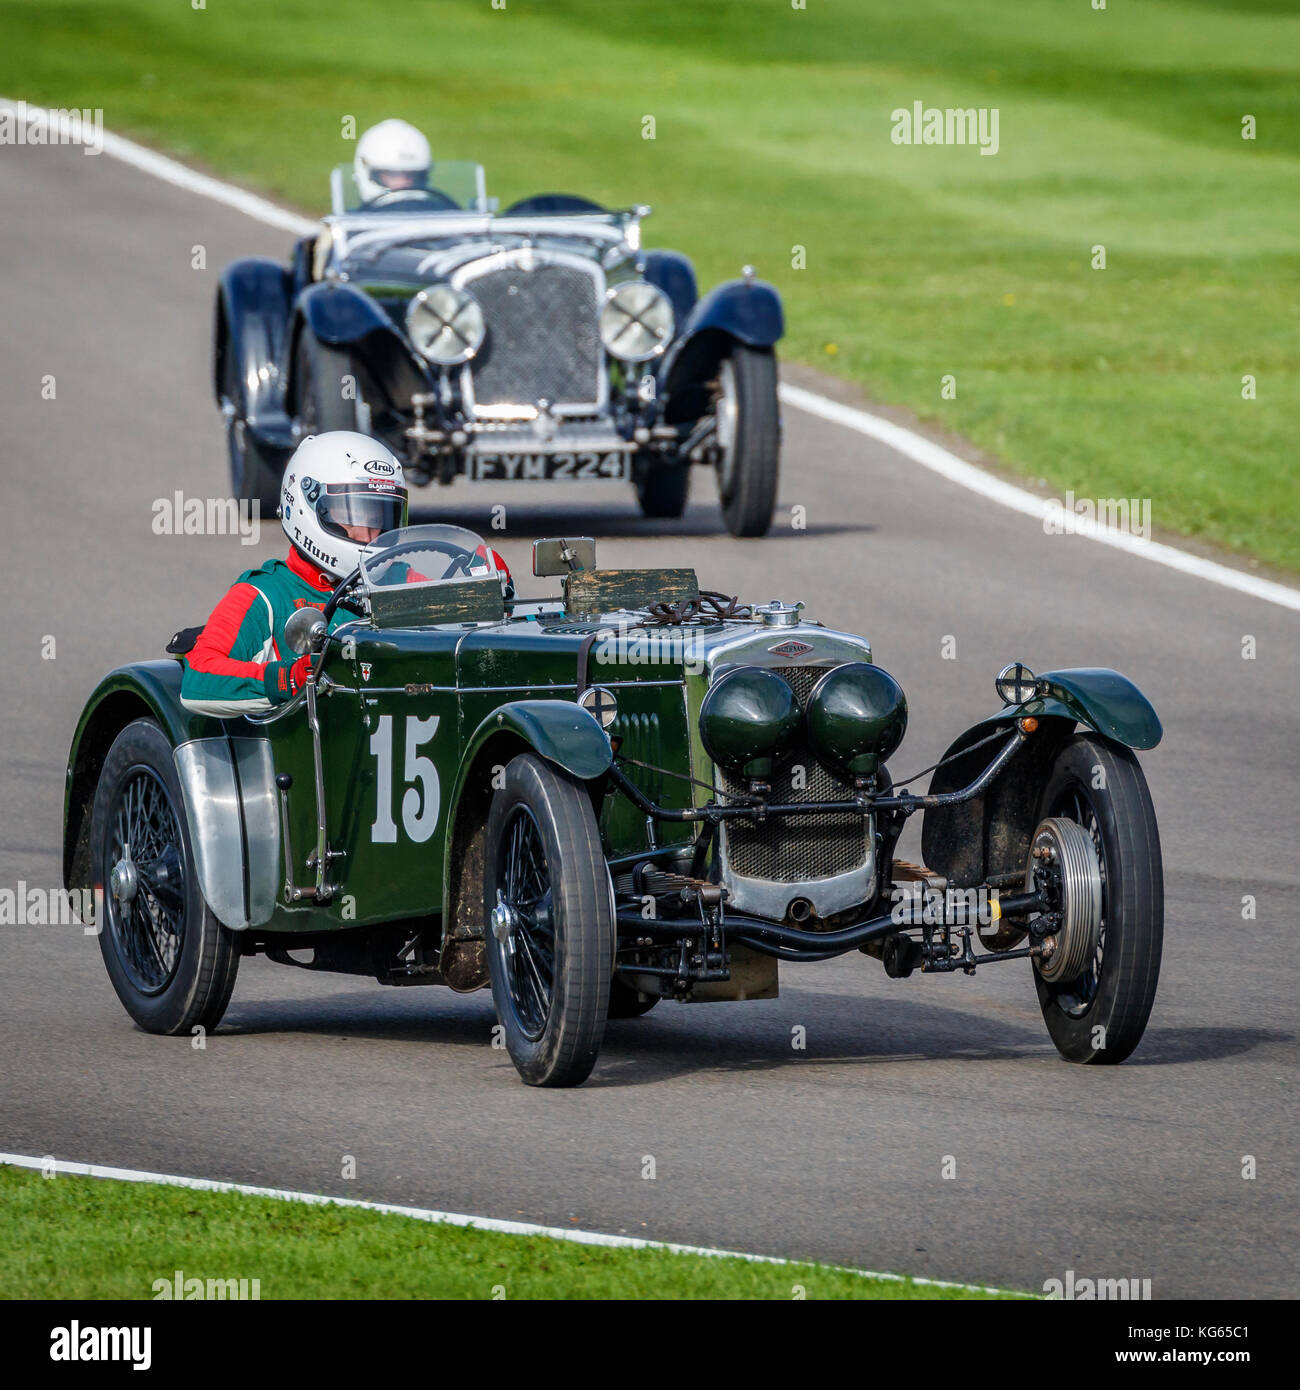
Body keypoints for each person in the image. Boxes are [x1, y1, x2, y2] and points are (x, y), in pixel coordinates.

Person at [181, 432, 410, 717]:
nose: (371, 535)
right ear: (307, 505)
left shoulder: (403, 582)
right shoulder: (264, 593)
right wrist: (289, 678)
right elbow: (199, 678)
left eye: (382, 518)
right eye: (356, 517)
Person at [353, 119, 433, 206]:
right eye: (392, 174)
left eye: (412, 175)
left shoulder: (438, 217)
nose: (403, 184)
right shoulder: (351, 220)